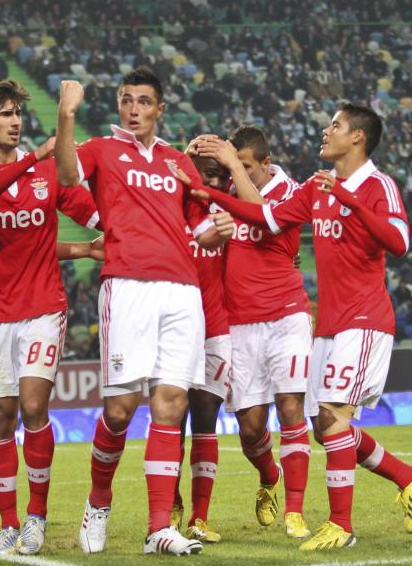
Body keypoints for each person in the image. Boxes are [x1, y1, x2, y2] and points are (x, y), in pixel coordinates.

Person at [186, 103, 412, 551]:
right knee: (323, 425)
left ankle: (341, 524)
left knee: (333, 421)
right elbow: (266, 218)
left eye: (335, 125)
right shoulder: (318, 188)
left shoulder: (378, 185)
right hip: (329, 324)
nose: (326, 130)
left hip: (364, 318)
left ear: (357, 137)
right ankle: (407, 476)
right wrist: (209, 197)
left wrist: (352, 200)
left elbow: (399, 242)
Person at [53, 70, 235, 556]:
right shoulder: (102, 149)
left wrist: (217, 227)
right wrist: (66, 115)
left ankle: (159, 527)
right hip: (128, 286)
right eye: (127, 101)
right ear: (118, 105)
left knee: (171, 403)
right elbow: (68, 176)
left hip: (182, 291)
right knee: (119, 410)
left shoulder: (180, 163)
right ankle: (98, 500)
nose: (134, 109)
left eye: (144, 102)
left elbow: (197, 228)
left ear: (160, 109)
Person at [0, 80, 103, 555]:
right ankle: (9, 523)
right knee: (1, 417)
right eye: (5, 114)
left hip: (43, 308)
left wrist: (117, 232)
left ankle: (37, 515)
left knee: (34, 407)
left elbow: (96, 215)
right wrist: (35, 158)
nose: (15, 121)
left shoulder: (48, 174)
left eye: (18, 113)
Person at [193, 127, 313, 539]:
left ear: (265, 162)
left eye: (242, 165)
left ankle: (295, 512)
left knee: (292, 407)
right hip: (240, 323)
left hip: (286, 315)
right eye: (232, 164)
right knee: (250, 427)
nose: (233, 172)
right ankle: (269, 475)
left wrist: (230, 171)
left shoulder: (290, 190)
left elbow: (264, 214)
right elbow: (204, 227)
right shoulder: (226, 189)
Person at [169, 149, 233, 544]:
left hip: (216, 330)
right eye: (201, 173)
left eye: (216, 176)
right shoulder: (169, 213)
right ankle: (170, 502)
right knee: (171, 419)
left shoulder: (229, 216)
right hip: (175, 329)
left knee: (205, 419)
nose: (208, 182)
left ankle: (200, 516)